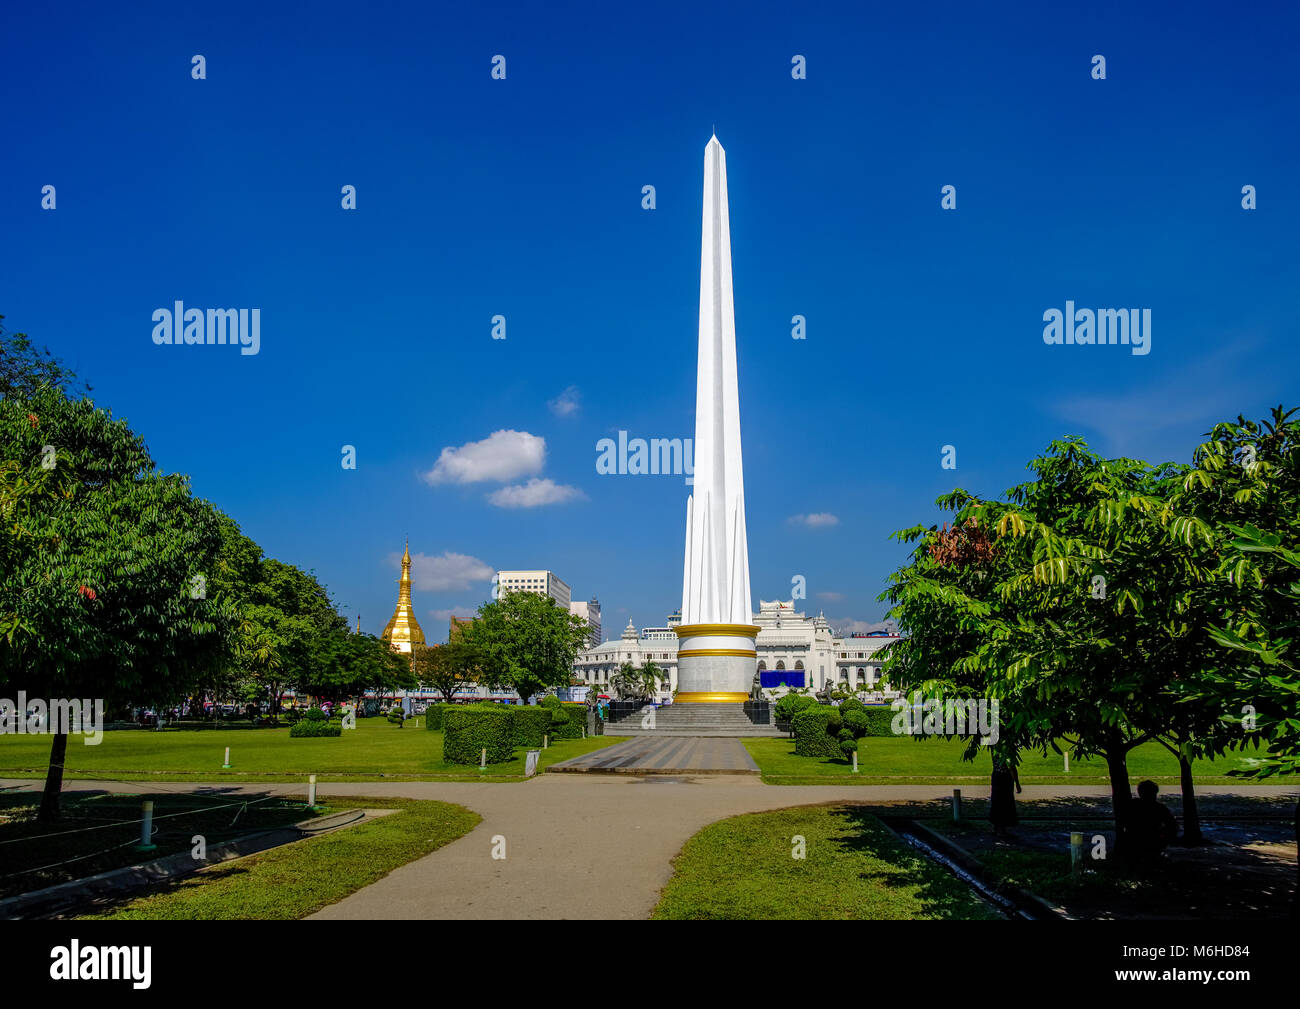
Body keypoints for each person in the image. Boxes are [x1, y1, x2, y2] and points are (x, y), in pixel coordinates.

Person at [1125, 779, 1179, 859]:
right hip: (1154, 842)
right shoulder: (1160, 808)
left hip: (1133, 842)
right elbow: (1173, 826)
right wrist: (1164, 840)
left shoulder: (1132, 806)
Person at [989, 755, 1022, 837]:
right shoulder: (1006, 749)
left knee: (996, 801)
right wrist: (1017, 782)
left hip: (996, 775)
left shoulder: (994, 747)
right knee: (1005, 802)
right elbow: (1011, 767)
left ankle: (995, 827)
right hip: (1005, 777)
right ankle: (1001, 829)